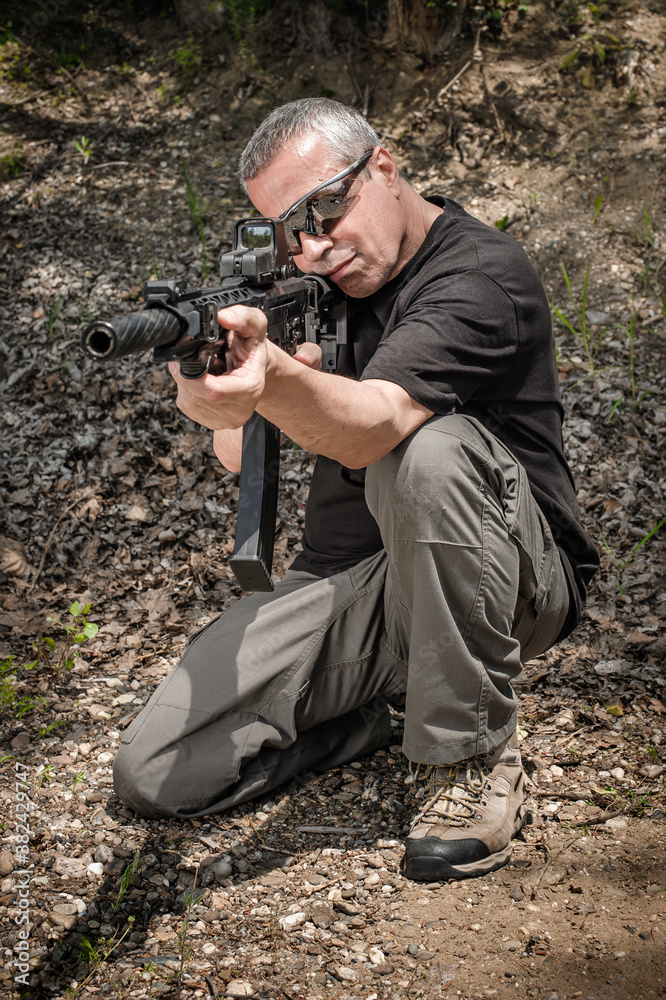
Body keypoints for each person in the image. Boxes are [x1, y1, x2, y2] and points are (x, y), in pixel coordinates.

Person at [113, 98, 599, 882]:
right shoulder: (310, 284)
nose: (312, 246)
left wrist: (274, 377)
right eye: (287, 230)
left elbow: (376, 425)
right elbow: (240, 457)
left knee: (428, 450)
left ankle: (470, 760)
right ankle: (370, 718)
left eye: (325, 209)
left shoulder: (478, 273)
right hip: (354, 582)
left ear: (384, 164)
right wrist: (233, 388)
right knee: (156, 766)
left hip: (508, 578)